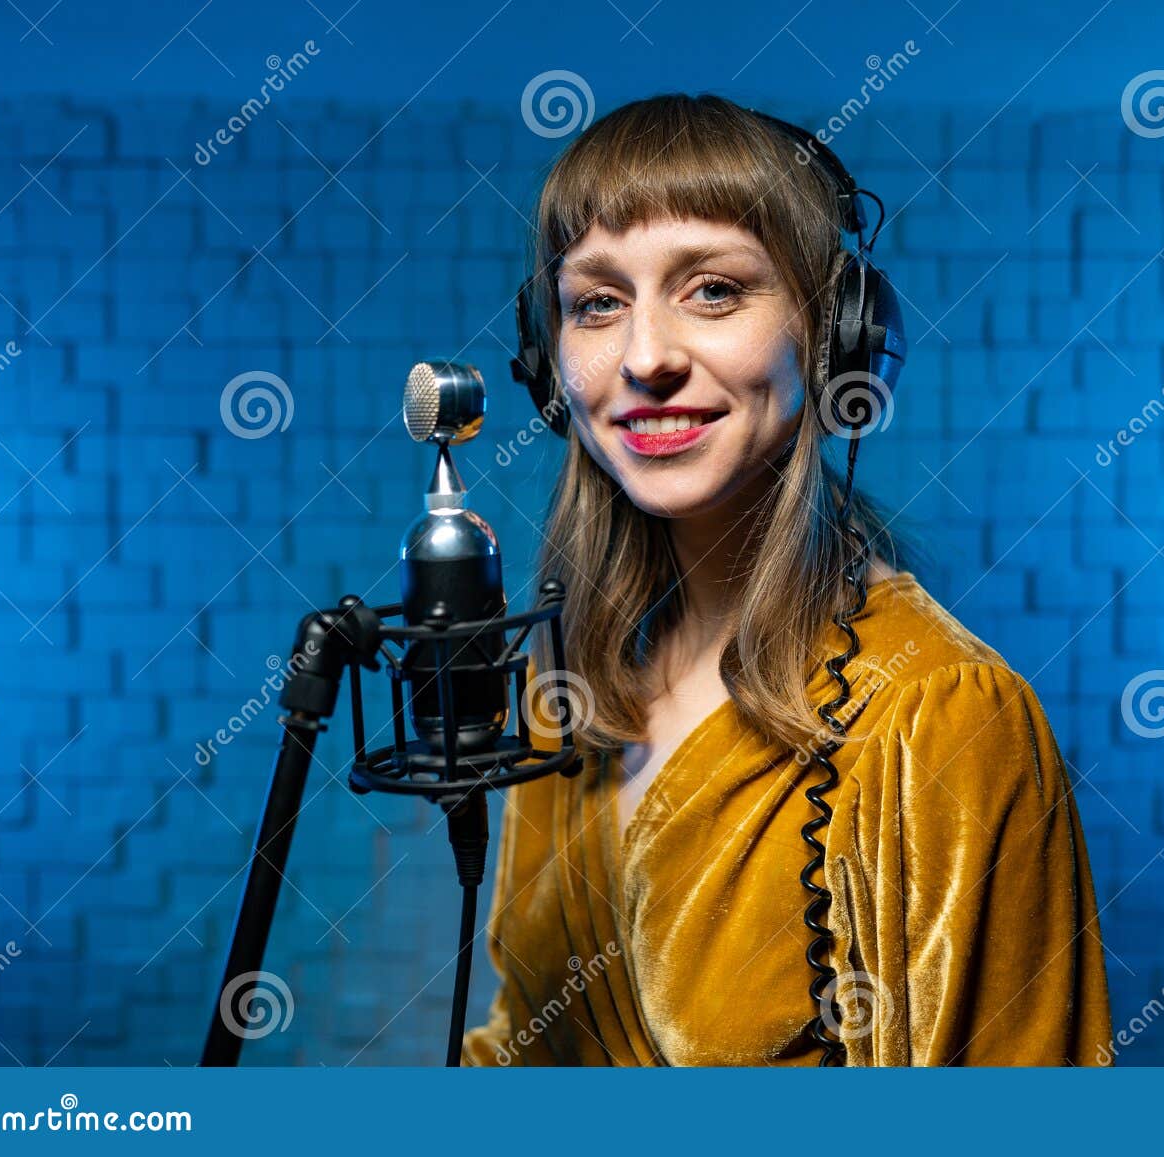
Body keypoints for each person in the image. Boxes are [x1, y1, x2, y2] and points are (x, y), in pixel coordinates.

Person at [460, 93, 1112, 1066]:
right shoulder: (562, 685)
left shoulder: (937, 715)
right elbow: (520, 1046)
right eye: (598, 301)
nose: (645, 358)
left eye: (713, 290)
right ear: (549, 365)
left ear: (835, 331)